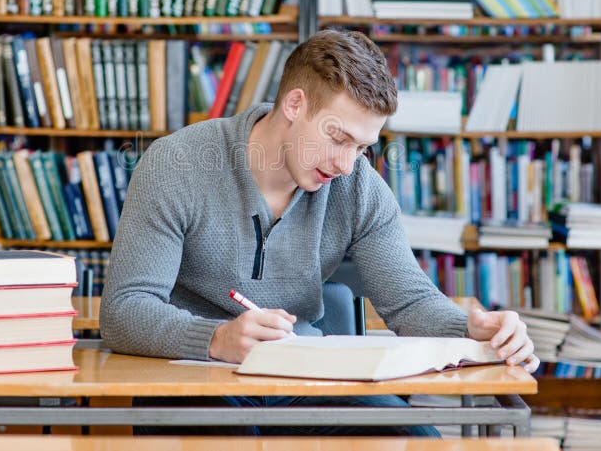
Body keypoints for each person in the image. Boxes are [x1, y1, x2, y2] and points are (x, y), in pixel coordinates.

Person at [100, 29, 539, 436]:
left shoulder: (357, 187)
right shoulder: (176, 165)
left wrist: (470, 329)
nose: (347, 165)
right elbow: (124, 312)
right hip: (193, 377)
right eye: (338, 137)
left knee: (415, 439)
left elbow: (409, 302)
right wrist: (216, 339)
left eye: (363, 147)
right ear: (294, 105)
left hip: (301, 377)